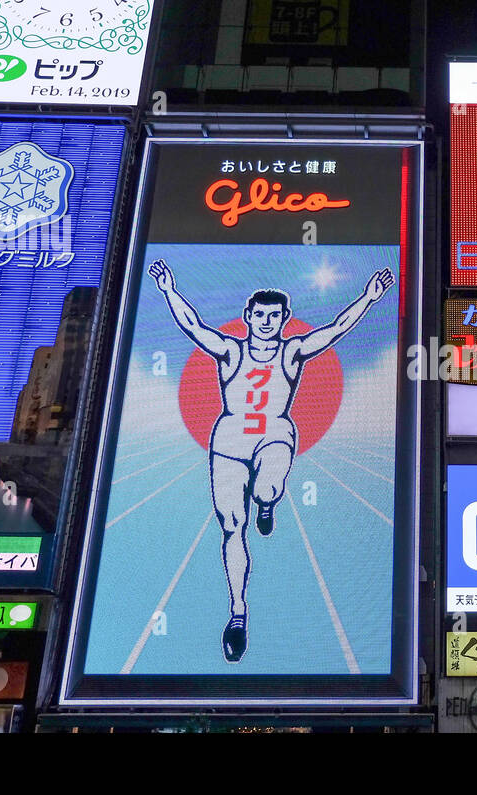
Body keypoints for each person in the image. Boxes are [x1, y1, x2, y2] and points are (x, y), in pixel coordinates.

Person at [148, 259, 395, 662]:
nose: (266, 322)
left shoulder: (292, 351)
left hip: (275, 434)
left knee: (267, 486)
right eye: (259, 315)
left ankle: (266, 502)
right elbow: (193, 327)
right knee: (231, 526)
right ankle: (238, 613)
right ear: (248, 317)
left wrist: (368, 298)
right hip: (228, 440)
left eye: (274, 316)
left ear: (285, 319)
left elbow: (334, 330)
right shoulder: (230, 351)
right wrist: (169, 290)